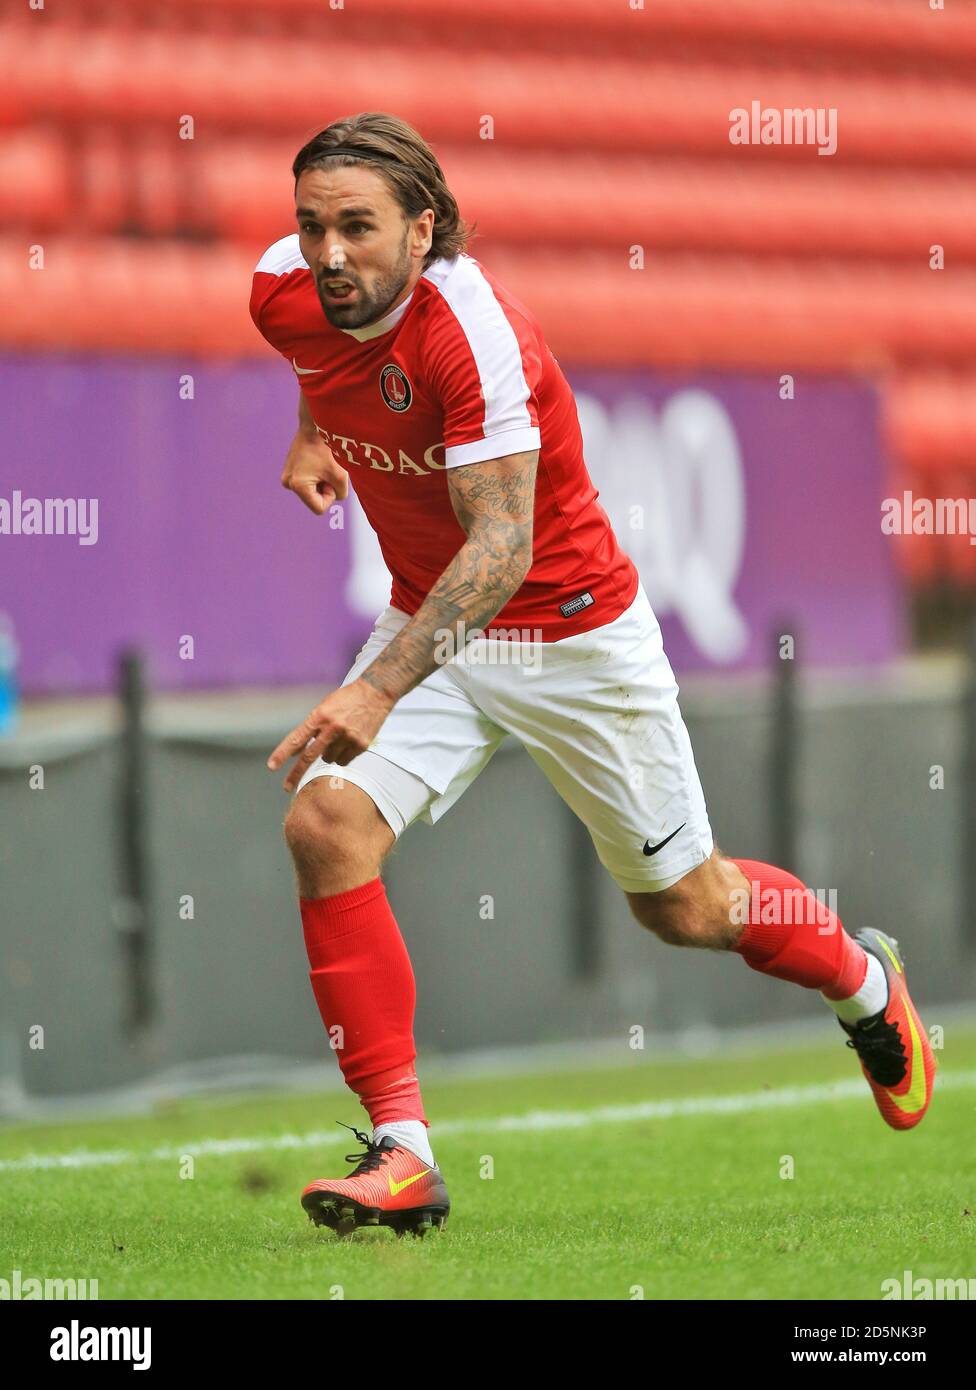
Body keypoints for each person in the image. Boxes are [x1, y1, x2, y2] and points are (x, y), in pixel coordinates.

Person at [249, 111, 935, 1240]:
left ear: (422, 230)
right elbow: (317, 351)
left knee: (687, 906)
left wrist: (375, 688)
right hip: (435, 623)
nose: (328, 253)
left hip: (569, 637)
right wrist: (315, 428)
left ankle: (863, 979)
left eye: (357, 228)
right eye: (311, 224)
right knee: (325, 827)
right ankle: (405, 1153)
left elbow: (502, 549)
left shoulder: (473, 335)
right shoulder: (285, 287)